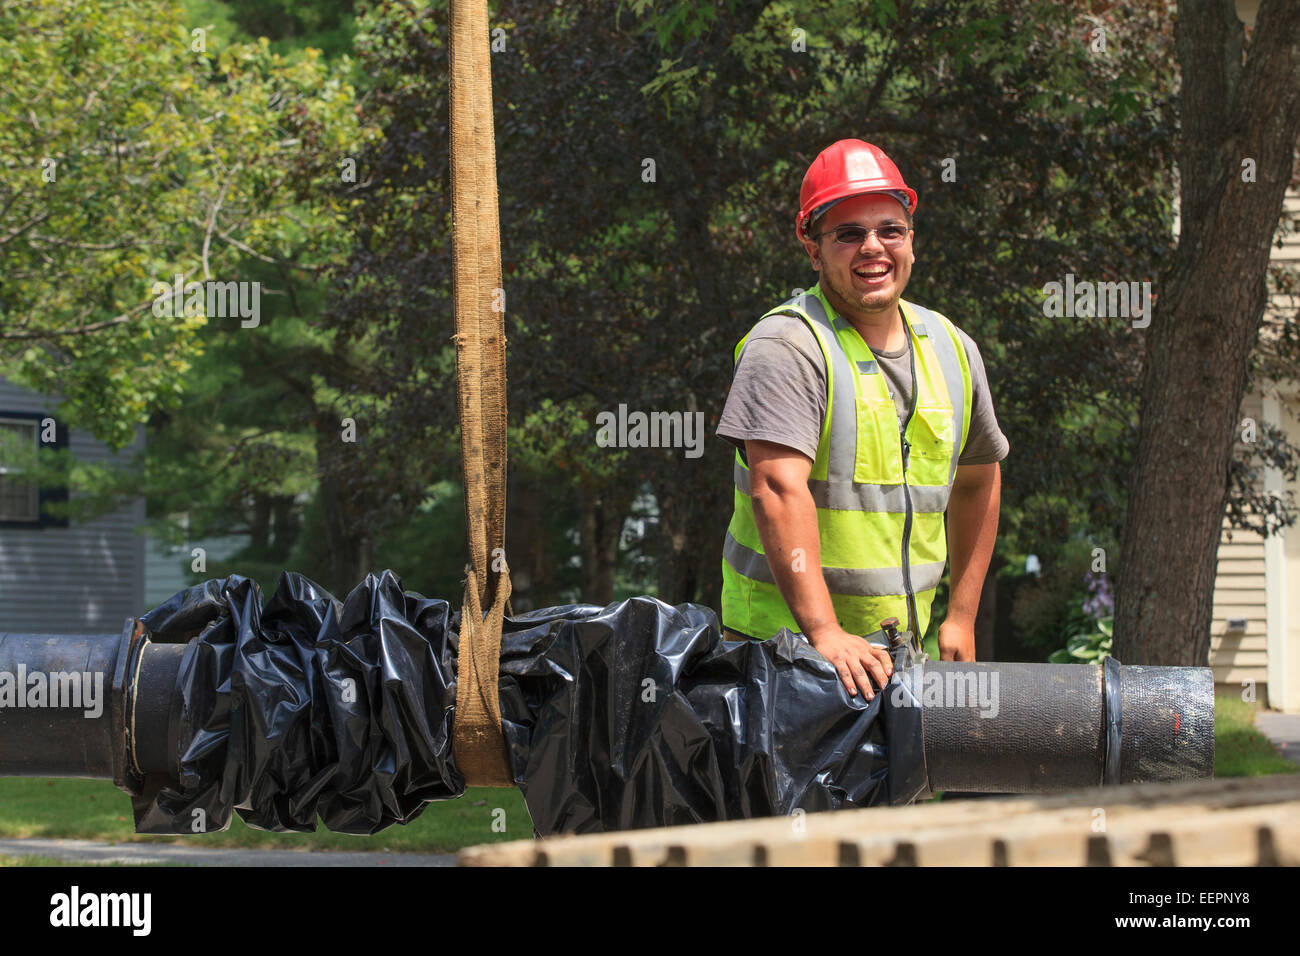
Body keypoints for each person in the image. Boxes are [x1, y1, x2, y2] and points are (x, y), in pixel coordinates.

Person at [716, 139, 1008, 701]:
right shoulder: (787, 344)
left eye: (889, 230)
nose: (873, 247)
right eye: (848, 234)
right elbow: (777, 487)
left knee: (894, 794)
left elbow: (979, 480)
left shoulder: (951, 347)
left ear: (911, 241)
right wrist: (824, 632)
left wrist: (962, 615)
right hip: (782, 661)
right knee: (792, 794)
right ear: (813, 248)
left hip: (901, 662)